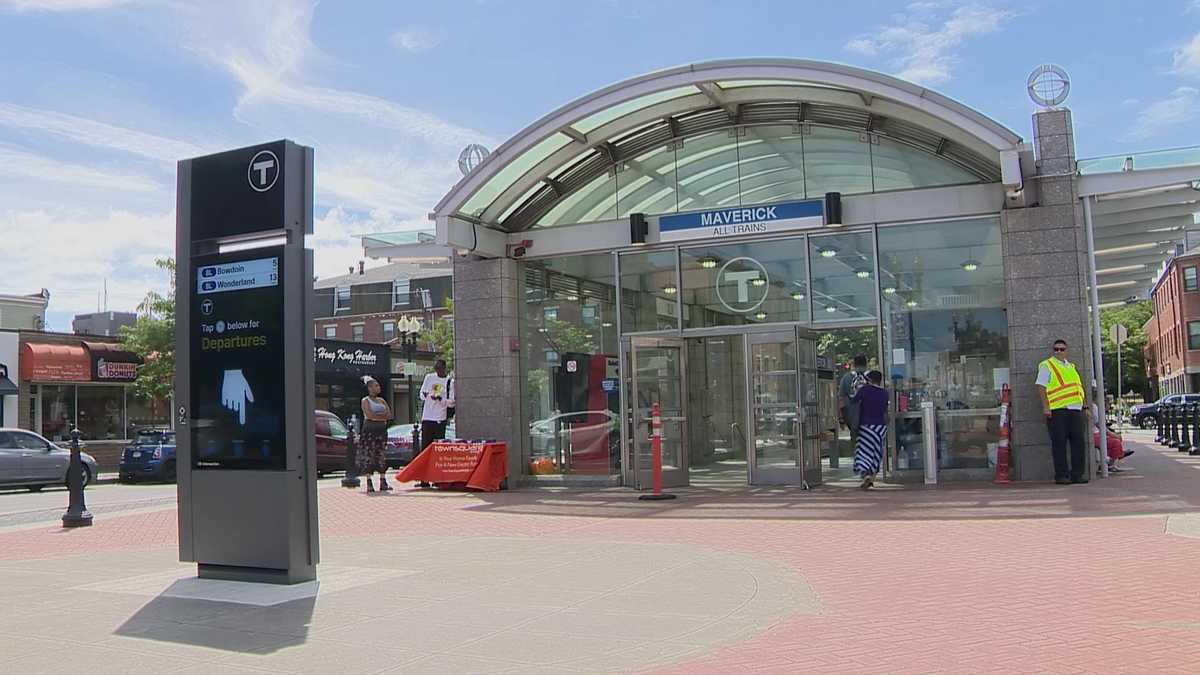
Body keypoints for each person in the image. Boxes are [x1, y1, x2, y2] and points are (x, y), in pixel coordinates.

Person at [1037, 339, 1089, 485]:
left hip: (1075, 410)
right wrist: (1045, 407)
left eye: (1062, 349)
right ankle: (1061, 475)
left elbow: (1079, 388)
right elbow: (1041, 387)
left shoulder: (1071, 367)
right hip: (1057, 410)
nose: (1059, 352)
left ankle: (1077, 474)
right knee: (1059, 444)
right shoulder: (1047, 365)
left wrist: (1085, 407)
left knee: (1078, 442)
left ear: (1067, 351)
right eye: (1056, 349)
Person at [417, 359, 455, 484]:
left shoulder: (449, 382)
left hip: (440, 418)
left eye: (440, 368)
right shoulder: (429, 377)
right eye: (436, 368)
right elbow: (421, 395)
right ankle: (424, 478)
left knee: (438, 449)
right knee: (425, 449)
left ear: (444, 368)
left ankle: (437, 478)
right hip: (427, 417)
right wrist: (428, 395)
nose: (438, 371)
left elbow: (452, 402)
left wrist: (440, 399)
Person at [852, 370, 888, 489]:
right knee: (876, 451)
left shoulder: (865, 390)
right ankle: (872, 477)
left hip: (866, 425)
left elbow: (854, 401)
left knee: (863, 451)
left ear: (870, 380)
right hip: (881, 426)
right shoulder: (884, 393)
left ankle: (866, 474)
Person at [358, 376, 393, 493]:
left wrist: (377, 416)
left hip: (381, 430)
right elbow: (369, 415)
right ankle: (369, 482)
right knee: (369, 454)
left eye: (378, 385)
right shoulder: (365, 400)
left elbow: (389, 415)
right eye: (376, 385)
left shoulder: (382, 400)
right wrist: (380, 416)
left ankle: (383, 481)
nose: (378, 387)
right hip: (369, 430)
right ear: (369, 387)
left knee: (382, 454)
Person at [838, 354, 869, 448]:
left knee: (857, 447)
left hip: (853, 418)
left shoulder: (846, 378)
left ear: (854, 364)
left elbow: (841, 400)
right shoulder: (872, 376)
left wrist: (841, 419)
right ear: (866, 363)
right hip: (871, 418)